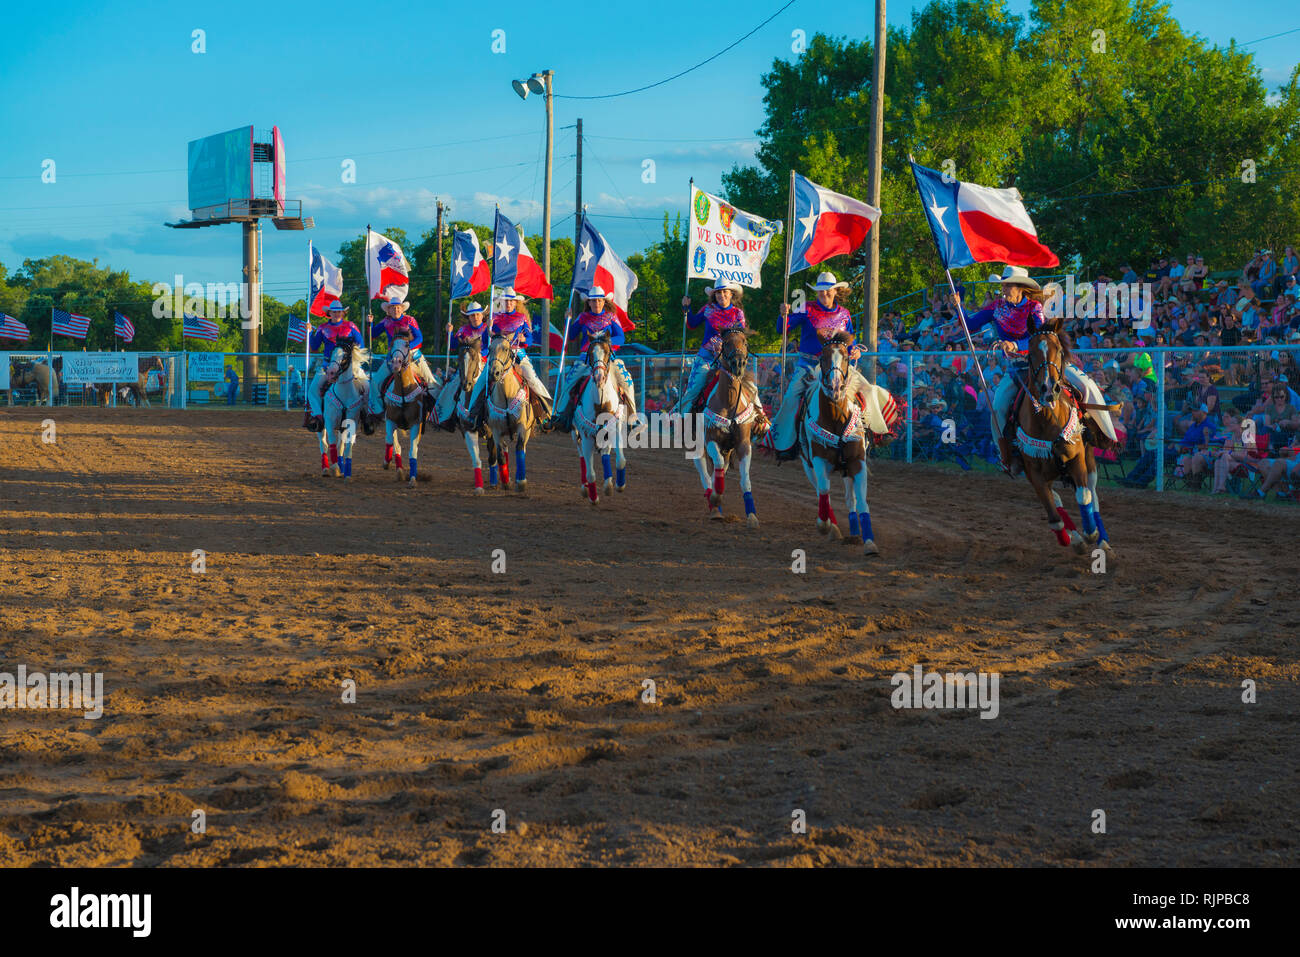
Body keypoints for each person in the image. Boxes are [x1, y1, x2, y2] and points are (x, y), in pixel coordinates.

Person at [959, 266, 1048, 474]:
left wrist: (1016, 346)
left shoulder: (1035, 308)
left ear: (1021, 288)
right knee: (998, 408)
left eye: (1008, 285)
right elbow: (970, 325)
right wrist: (958, 305)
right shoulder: (996, 307)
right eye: (1003, 285)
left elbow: (1038, 336)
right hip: (1015, 370)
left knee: (1078, 387)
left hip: (1042, 366)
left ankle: (1097, 433)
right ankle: (1005, 456)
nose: (1004, 289)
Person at [769, 272, 860, 457]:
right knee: (791, 398)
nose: (824, 294)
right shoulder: (805, 308)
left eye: (828, 290)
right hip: (808, 366)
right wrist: (783, 315)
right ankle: (784, 443)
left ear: (835, 291)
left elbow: (849, 341)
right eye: (820, 291)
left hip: (838, 367)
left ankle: (872, 433)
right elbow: (782, 329)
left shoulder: (844, 314)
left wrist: (855, 350)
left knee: (866, 391)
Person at [547, 285, 636, 432]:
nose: (597, 304)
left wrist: (606, 343)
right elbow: (571, 336)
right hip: (586, 358)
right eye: (593, 301)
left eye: (599, 301)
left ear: (604, 301)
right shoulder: (583, 318)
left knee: (627, 380)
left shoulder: (611, 317)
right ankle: (560, 415)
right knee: (570, 380)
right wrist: (567, 320)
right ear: (588, 303)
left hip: (608, 358)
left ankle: (633, 418)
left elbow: (621, 337)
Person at [466, 287, 552, 421]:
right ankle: (472, 413)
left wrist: (524, 340)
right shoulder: (494, 318)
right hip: (498, 356)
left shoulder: (521, 318)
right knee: (482, 381)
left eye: (511, 301)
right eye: (506, 301)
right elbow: (484, 341)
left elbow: (530, 339)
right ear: (502, 302)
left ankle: (546, 412)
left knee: (532, 379)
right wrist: (487, 328)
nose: (508, 303)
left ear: (515, 302)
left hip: (517, 354)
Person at [678, 280, 748, 412]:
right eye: (718, 293)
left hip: (729, 359)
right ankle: (678, 420)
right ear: (714, 295)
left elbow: (739, 336)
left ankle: (761, 421)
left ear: (731, 294)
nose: (722, 295)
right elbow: (692, 324)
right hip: (706, 358)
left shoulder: (738, 313)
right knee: (693, 390)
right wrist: (687, 308)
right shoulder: (708, 309)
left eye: (725, 292)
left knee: (750, 387)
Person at [366, 297, 436, 429]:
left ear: (402, 308)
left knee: (431, 382)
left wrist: (408, 347)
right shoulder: (386, 321)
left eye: (398, 307)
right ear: (389, 310)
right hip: (392, 358)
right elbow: (373, 335)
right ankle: (378, 411)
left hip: (413, 355)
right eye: (393, 307)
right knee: (375, 382)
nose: (396, 309)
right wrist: (370, 323)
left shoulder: (409, 320)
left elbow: (419, 337)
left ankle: (435, 412)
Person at [304, 301, 366, 430]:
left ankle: (366, 414)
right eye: (334, 311)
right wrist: (309, 333)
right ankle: (318, 417)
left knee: (367, 386)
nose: (337, 314)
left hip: (349, 366)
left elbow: (361, 344)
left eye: (339, 311)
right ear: (329, 313)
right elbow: (314, 347)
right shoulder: (322, 328)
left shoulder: (351, 326)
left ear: (343, 313)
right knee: (312, 390)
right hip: (328, 365)